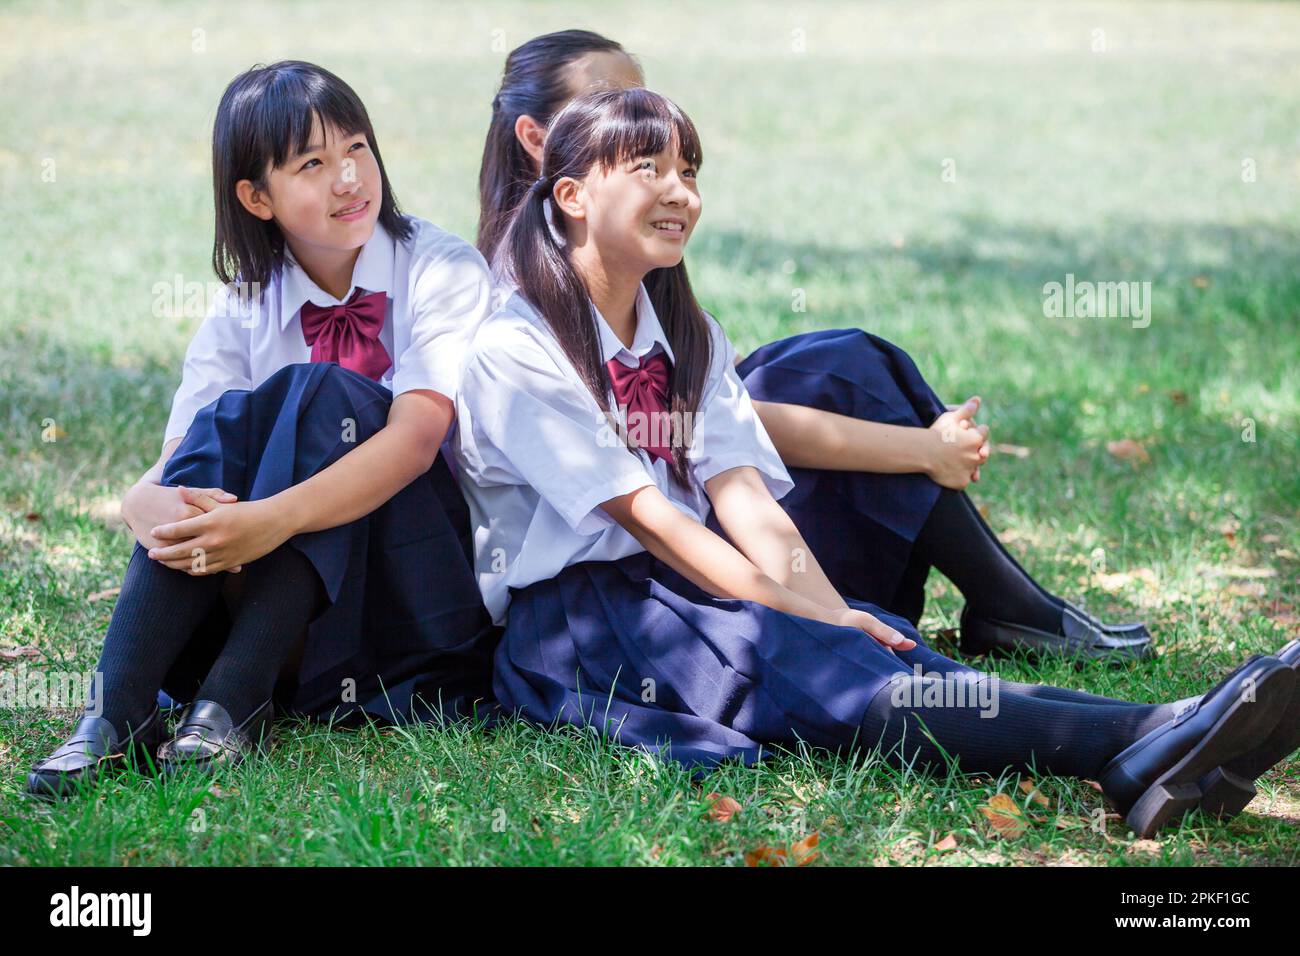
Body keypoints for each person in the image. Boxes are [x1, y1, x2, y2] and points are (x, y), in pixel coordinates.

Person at [453, 86, 1300, 838]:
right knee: (830, 673)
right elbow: (655, 520)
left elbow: (744, 498)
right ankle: (1147, 733)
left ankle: (1157, 733)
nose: (682, 194)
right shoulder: (515, 346)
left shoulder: (687, 332)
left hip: (688, 576)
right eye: (650, 168)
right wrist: (802, 616)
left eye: (691, 171)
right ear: (569, 195)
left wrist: (830, 609)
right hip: (586, 626)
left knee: (883, 646)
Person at [475, 28, 1152, 661]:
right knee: (842, 371)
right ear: (539, 141)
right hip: (648, 560)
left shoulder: (639, 255)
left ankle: (999, 605)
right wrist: (920, 450)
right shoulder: (527, 289)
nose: (640, 113)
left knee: (848, 359)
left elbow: (712, 406)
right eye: (606, 103)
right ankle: (1000, 607)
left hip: (714, 516)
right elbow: (700, 437)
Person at [26, 60, 499, 800]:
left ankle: (235, 695)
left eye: (358, 149)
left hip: (411, 606)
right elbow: (179, 464)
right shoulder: (244, 305)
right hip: (283, 616)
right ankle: (118, 715)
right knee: (232, 424)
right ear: (255, 196)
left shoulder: (440, 269)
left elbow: (413, 442)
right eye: (313, 163)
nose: (349, 178)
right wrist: (143, 505)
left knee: (321, 394)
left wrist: (267, 522)